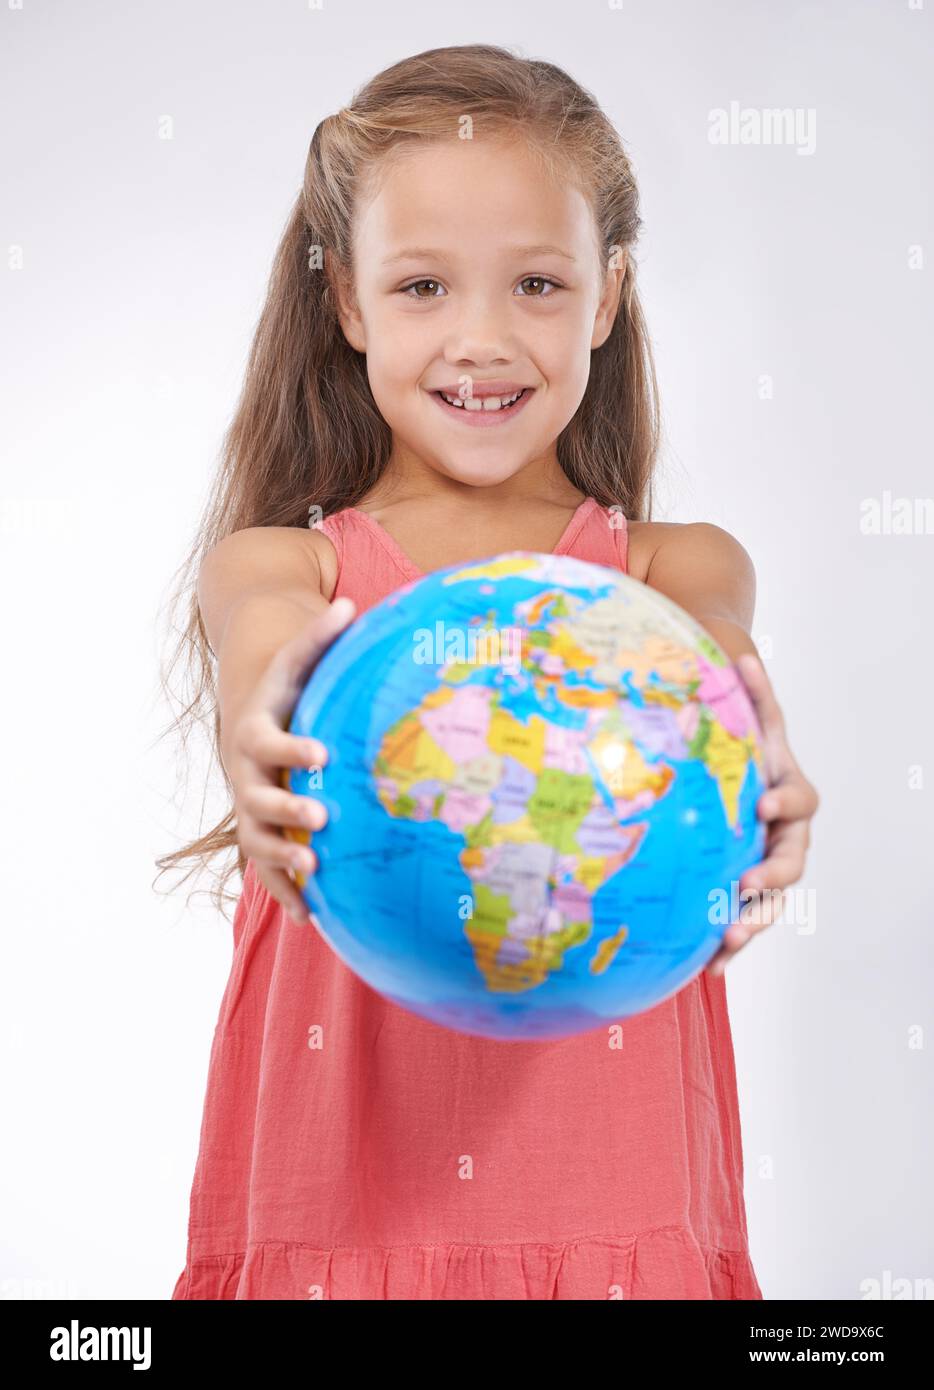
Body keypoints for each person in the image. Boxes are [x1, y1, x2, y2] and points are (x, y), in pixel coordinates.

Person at [160, 44, 819, 1300]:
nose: (480, 337)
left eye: (535, 281)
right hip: (341, 1225)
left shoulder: (668, 569)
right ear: (346, 304)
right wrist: (262, 717)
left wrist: (751, 728)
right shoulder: (290, 569)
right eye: (419, 285)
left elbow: (715, 641)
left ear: (607, 297)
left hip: (609, 1215)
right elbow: (258, 634)